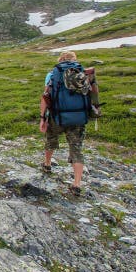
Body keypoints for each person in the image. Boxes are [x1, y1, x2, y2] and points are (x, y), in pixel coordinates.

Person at [39, 51, 90, 196]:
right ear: (75, 60)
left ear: (60, 60)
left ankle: (47, 164)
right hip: (79, 117)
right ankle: (77, 184)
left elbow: (45, 97)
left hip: (57, 116)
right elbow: (92, 94)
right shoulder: (83, 74)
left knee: (51, 139)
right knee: (76, 149)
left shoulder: (53, 74)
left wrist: (43, 118)